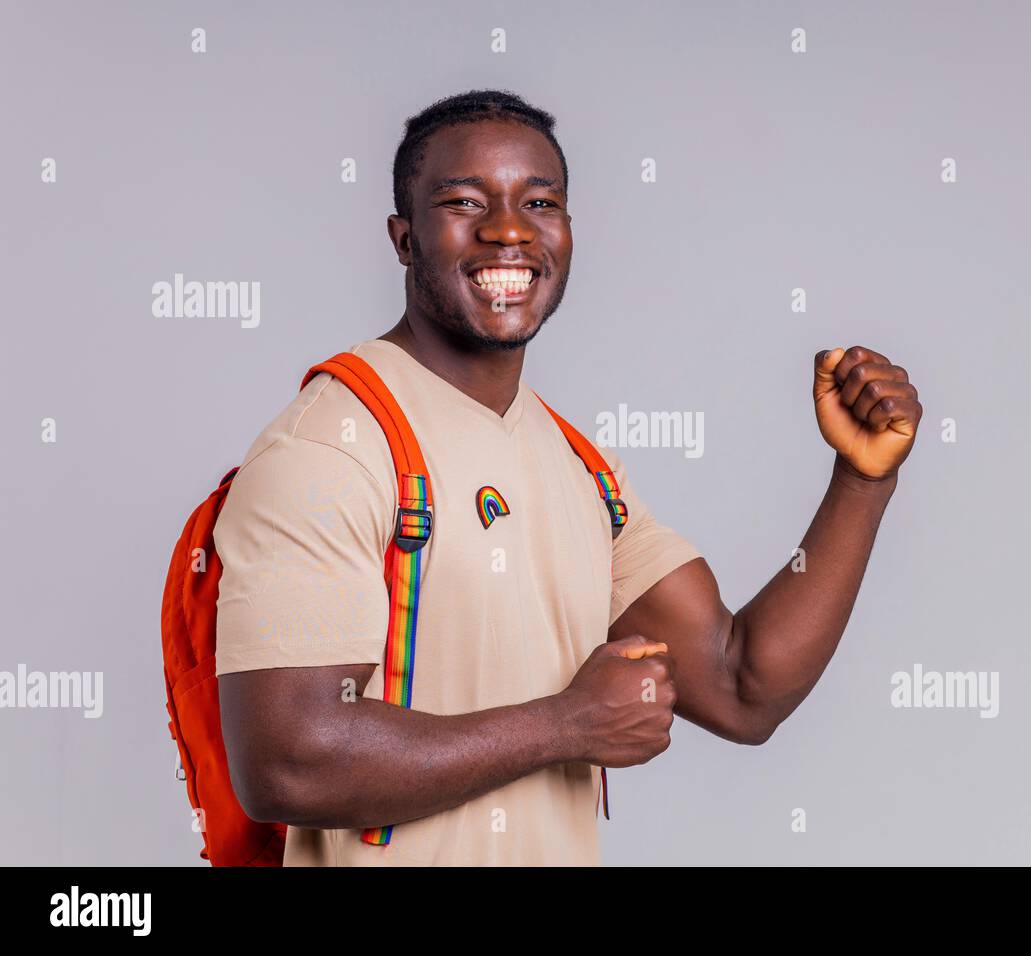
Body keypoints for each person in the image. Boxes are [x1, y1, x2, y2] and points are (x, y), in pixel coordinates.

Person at [213, 89, 922, 866]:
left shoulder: (581, 467)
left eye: (540, 202)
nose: (508, 230)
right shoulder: (332, 445)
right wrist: (566, 725)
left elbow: (739, 684)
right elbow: (289, 759)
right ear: (404, 238)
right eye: (464, 202)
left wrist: (861, 483)